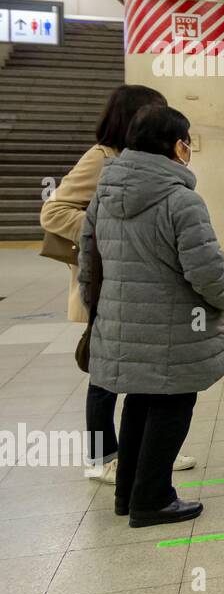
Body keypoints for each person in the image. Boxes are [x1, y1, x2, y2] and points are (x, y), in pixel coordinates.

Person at [79, 105, 224, 527]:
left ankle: (128, 494)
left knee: (138, 402)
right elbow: (207, 273)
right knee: (173, 404)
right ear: (173, 145)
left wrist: (99, 311)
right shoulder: (181, 201)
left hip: (120, 324)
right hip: (174, 328)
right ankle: (153, 499)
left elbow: (89, 265)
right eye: (185, 140)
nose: (188, 148)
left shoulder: (103, 197)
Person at [39, 84, 196, 485]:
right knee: (104, 376)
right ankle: (101, 457)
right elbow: (53, 211)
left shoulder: (135, 158)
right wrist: (105, 234)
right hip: (108, 281)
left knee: (138, 372)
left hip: (132, 284)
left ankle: (143, 455)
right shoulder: (101, 158)